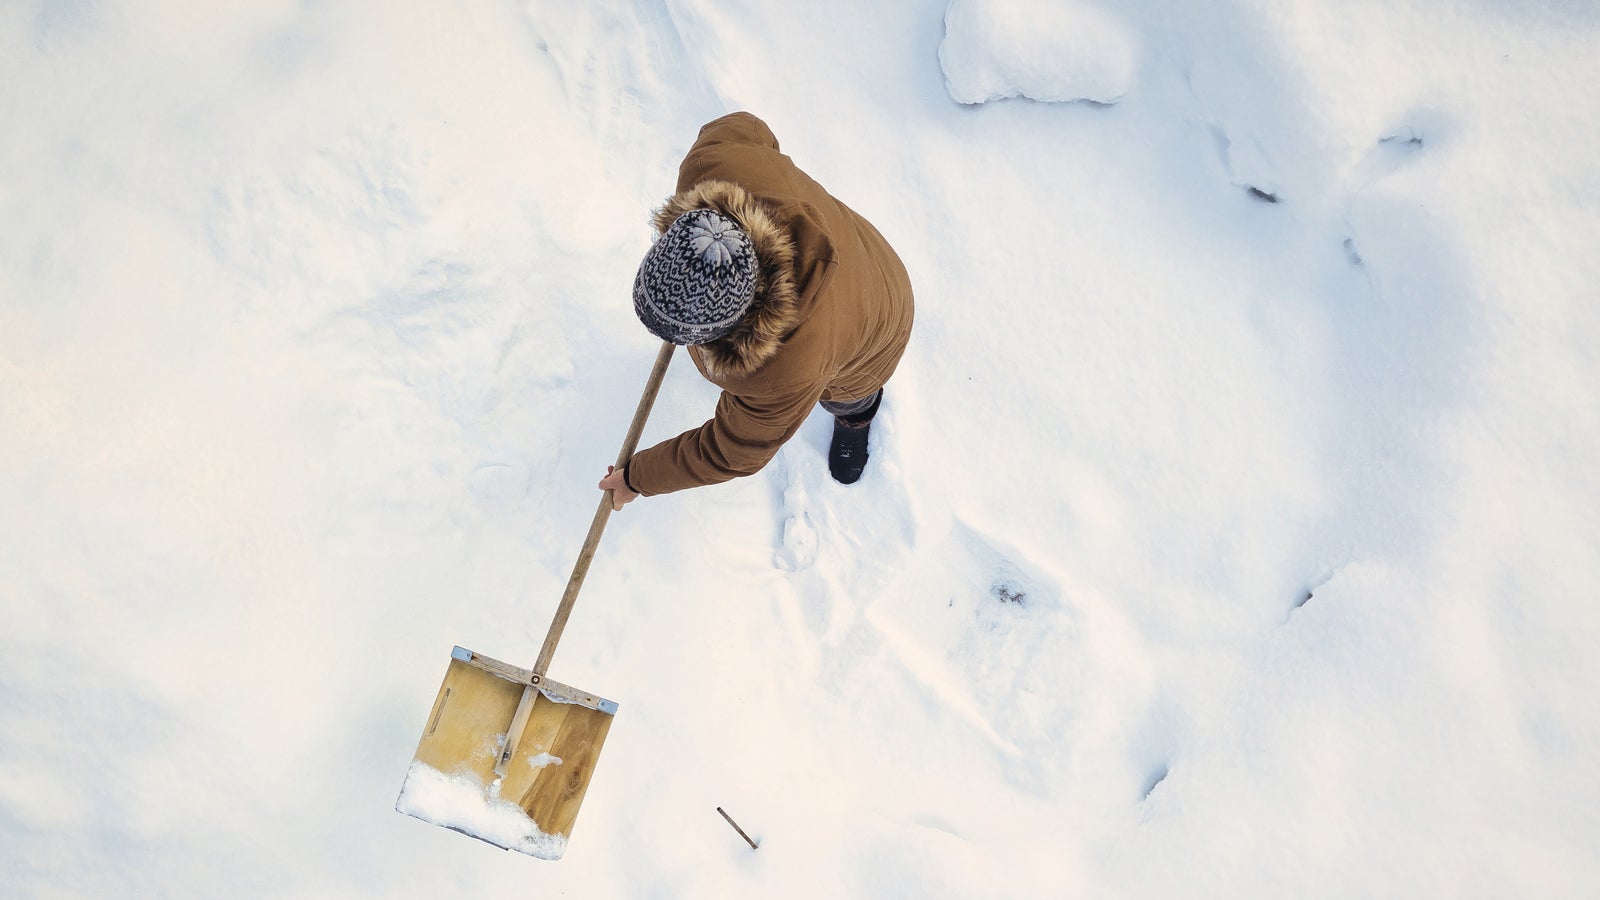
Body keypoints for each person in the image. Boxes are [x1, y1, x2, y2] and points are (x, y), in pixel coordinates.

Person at [599, 112, 914, 510]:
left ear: (731, 324)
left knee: (851, 393)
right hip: (857, 245)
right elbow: (748, 128)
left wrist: (637, 478)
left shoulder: (784, 370)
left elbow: (730, 450)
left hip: (880, 320)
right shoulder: (713, 165)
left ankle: (855, 419)